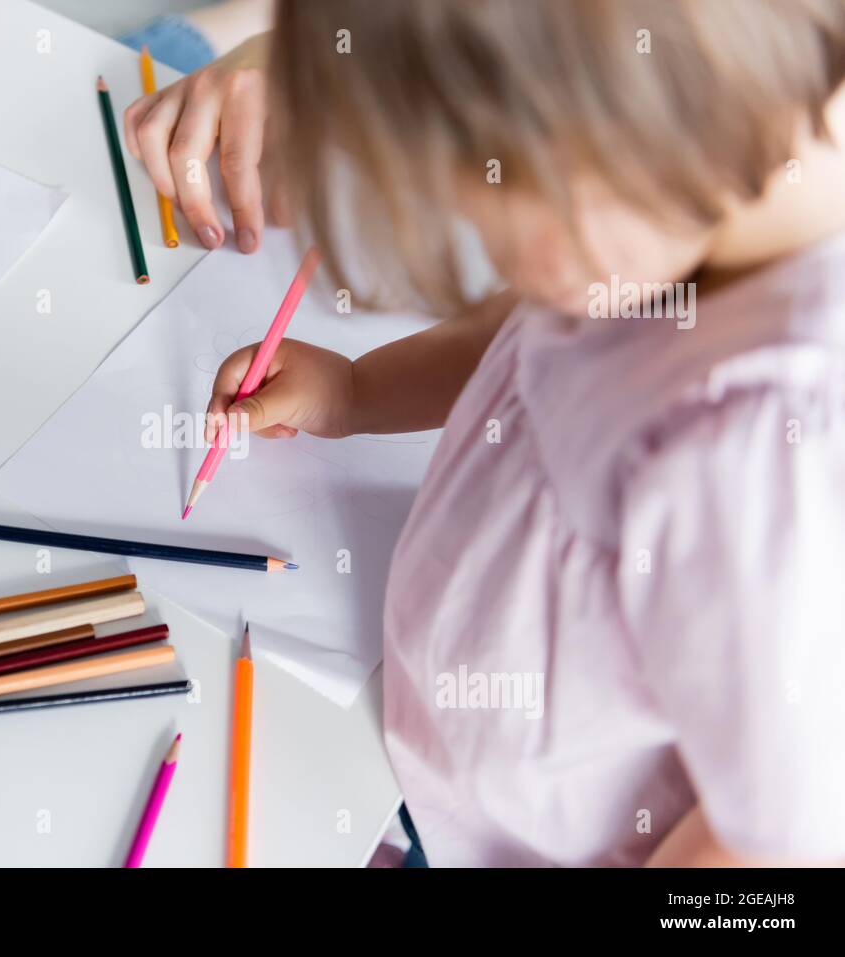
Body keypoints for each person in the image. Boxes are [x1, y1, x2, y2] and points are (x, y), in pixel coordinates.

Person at [131, 0, 845, 866]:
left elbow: (772, 844)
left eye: (491, 221)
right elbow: (522, 342)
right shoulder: (641, 236)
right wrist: (357, 391)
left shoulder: (757, 453)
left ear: (605, 157)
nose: (496, 265)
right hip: (409, 756)